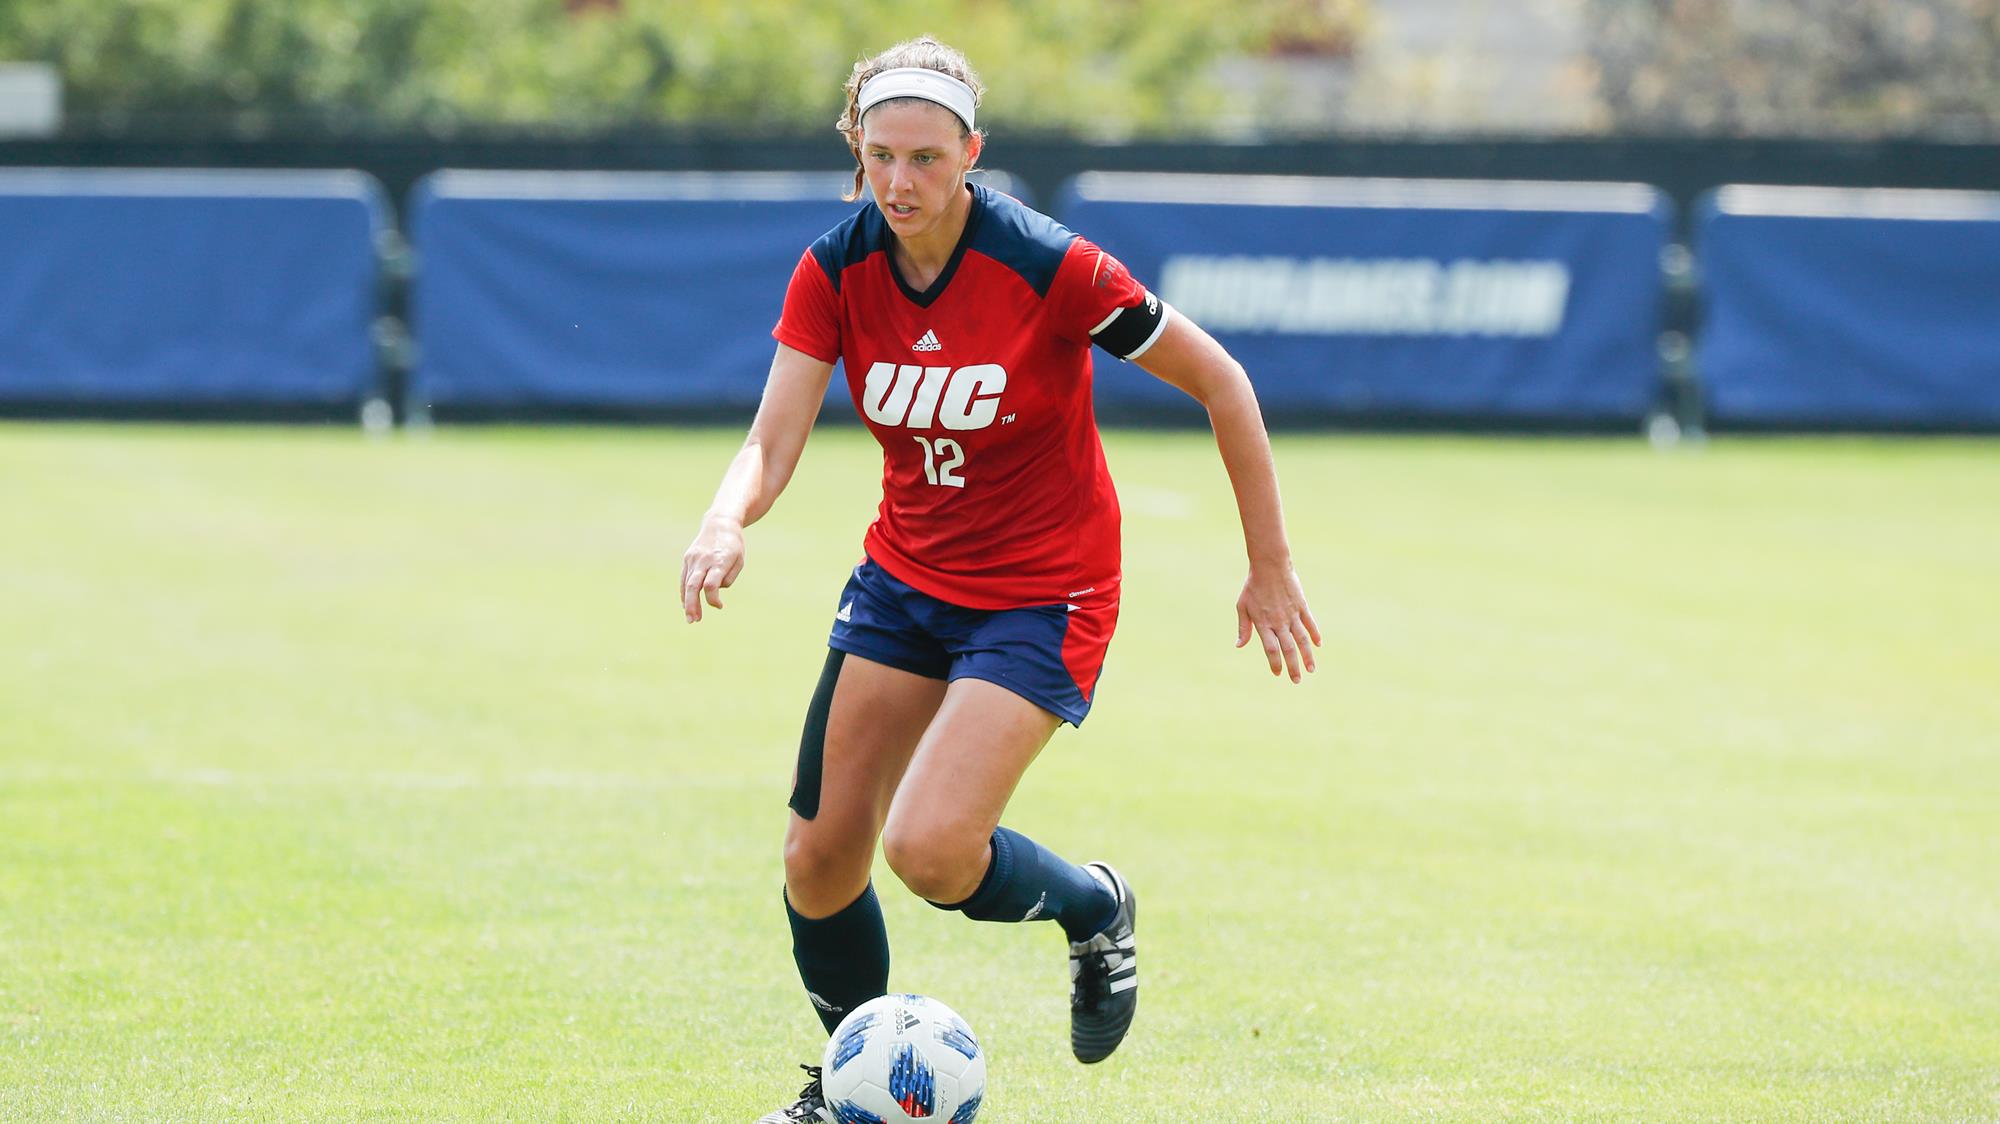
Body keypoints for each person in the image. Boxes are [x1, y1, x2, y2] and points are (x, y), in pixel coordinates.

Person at [680, 35, 1321, 1123]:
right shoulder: (836, 267)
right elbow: (772, 442)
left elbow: (1222, 380)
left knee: (928, 847)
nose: (900, 181)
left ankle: (1092, 905)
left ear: (970, 152)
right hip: (903, 579)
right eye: (880, 154)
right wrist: (723, 514)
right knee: (818, 855)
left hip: (1043, 587)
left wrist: (1267, 564)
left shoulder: (1048, 265)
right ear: (855, 147)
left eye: (927, 157)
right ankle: (848, 1086)